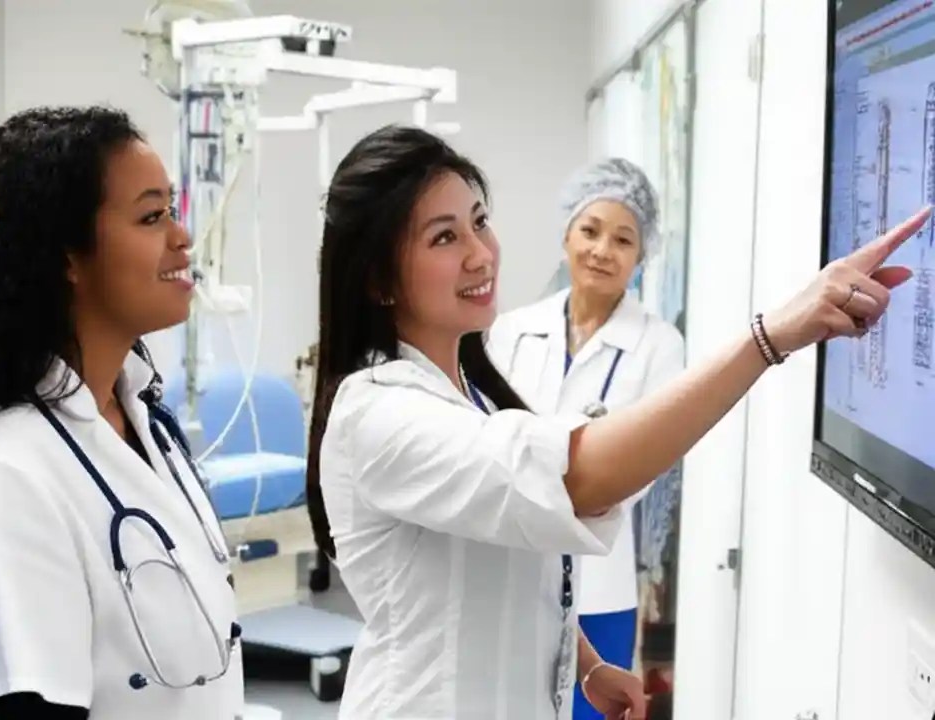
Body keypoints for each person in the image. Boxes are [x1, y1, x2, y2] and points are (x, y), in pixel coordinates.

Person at [305, 124, 922, 719]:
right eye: (444, 238)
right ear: (380, 281)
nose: (480, 254)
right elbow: (579, 477)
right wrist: (773, 335)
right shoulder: (380, 412)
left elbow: (493, 561)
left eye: (480, 222)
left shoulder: (474, 394)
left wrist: (588, 664)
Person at [0, 106, 244, 720]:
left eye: (173, 210)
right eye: (151, 216)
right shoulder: (4, 471)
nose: (182, 236)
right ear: (66, 258)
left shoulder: (139, 414)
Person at [489, 158, 684, 719]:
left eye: (623, 239)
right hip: (510, 564)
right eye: (590, 231)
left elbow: (647, 463)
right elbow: (487, 436)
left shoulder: (659, 346)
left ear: (642, 256)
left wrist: (551, 479)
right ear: (566, 236)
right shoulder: (512, 331)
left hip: (598, 581)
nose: (602, 250)